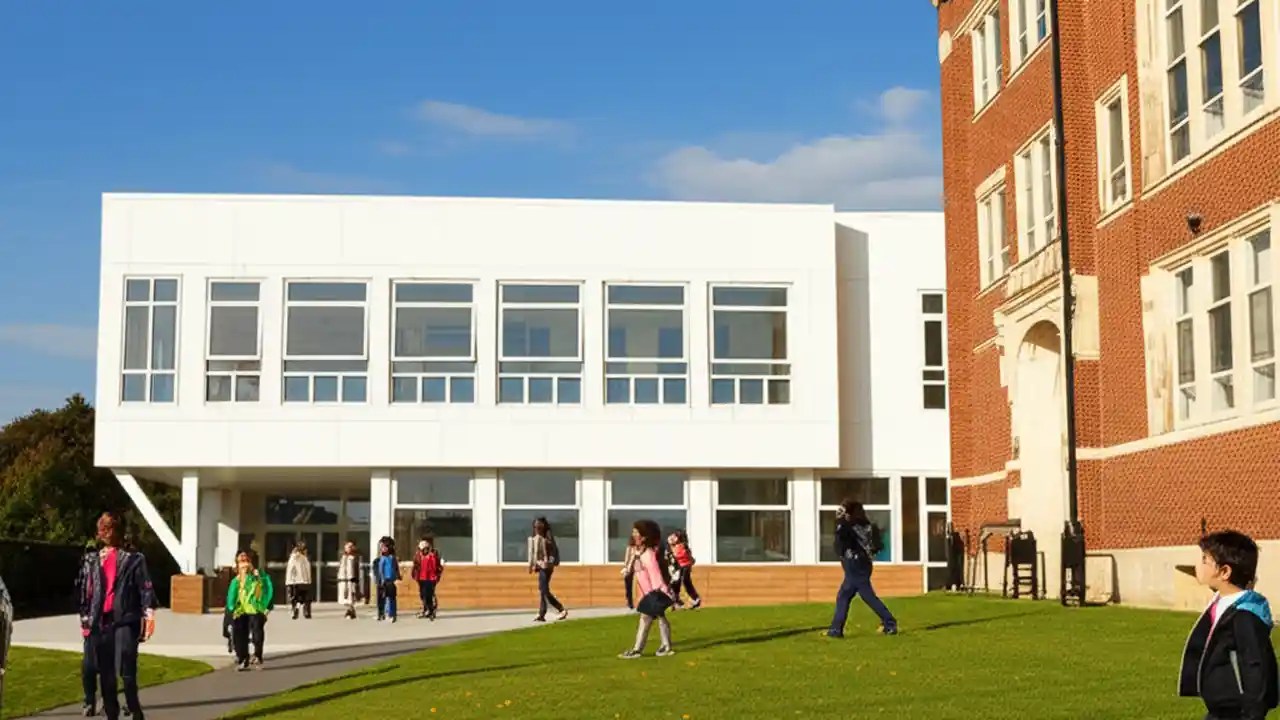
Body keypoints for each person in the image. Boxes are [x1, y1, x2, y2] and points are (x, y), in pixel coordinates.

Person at [1178, 530, 1278, 720]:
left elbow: (1255, 667)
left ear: (1224, 572)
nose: (1199, 565)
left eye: (1204, 560)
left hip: (1237, 713)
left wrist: (1253, 714)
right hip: (1218, 711)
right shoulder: (1220, 604)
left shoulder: (1245, 615)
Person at [76, 512, 156, 720]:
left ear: (117, 530)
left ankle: (134, 708)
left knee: (126, 668)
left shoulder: (134, 560)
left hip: (125, 619)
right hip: (100, 622)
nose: (103, 531)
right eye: (101, 527)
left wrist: (149, 615)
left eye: (108, 527)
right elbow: (86, 591)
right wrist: (85, 618)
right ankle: (112, 714)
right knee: (105, 675)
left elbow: (145, 588)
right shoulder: (92, 559)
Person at [826, 499, 897, 638]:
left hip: (853, 564)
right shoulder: (867, 525)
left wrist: (839, 523)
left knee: (867, 596)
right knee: (844, 596)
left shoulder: (846, 526)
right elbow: (877, 546)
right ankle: (835, 629)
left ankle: (890, 623)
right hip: (865, 563)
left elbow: (840, 545)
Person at [619, 520, 677, 659]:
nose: (633, 535)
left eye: (636, 533)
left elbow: (655, 574)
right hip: (649, 594)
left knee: (645, 618)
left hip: (655, 593)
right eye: (633, 532)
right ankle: (665, 646)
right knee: (660, 618)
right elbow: (635, 571)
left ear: (644, 537)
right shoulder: (637, 552)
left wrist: (662, 592)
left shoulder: (648, 554)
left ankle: (638, 649)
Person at [226, 550, 273, 671]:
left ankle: (257, 655)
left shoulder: (260, 576)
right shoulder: (237, 580)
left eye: (246, 561)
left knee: (257, 633)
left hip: (256, 609)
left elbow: (268, 589)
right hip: (241, 609)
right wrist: (232, 608)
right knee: (239, 635)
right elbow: (232, 594)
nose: (244, 565)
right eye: (241, 562)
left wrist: (267, 607)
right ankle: (243, 659)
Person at [527, 517, 568, 623]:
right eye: (535, 526)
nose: (536, 528)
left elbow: (552, 552)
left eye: (538, 526)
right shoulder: (537, 538)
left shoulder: (547, 538)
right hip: (541, 566)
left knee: (544, 590)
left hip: (547, 567)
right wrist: (535, 564)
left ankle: (561, 609)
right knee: (542, 590)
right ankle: (541, 613)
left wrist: (549, 562)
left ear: (543, 527)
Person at [667, 530, 702, 609]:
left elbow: (678, 555)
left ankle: (694, 598)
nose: (673, 538)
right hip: (677, 568)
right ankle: (677, 600)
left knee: (685, 582)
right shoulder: (672, 546)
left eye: (675, 536)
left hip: (684, 567)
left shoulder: (682, 546)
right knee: (676, 583)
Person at [411, 537, 444, 620]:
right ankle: (426, 610)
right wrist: (414, 574)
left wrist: (437, 576)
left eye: (426, 549)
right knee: (423, 595)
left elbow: (436, 568)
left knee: (429, 595)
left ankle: (431, 611)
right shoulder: (419, 556)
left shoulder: (432, 556)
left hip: (430, 579)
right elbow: (415, 566)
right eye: (422, 549)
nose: (424, 550)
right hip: (421, 578)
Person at [373, 536, 401, 623]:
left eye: (384, 546)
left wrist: (398, 576)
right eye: (381, 546)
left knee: (391, 598)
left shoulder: (392, 558)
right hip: (381, 582)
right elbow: (377, 571)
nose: (382, 548)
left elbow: (396, 569)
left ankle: (391, 614)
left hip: (389, 581)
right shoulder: (378, 560)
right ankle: (381, 614)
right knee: (381, 599)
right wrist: (378, 580)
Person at [285, 540, 313, 620]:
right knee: (297, 598)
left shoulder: (305, 558)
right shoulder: (296, 557)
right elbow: (292, 570)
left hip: (305, 581)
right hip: (297, 581)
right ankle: (296, 610)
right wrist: (291, 581)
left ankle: (305, 611)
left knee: (306, 598)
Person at [337, 541, 364, 620]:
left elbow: (357, 569)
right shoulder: (342, 556)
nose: (348, 548)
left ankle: (350, 611)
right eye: (347, 547)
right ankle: (351, 611)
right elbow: (340, 567)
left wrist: (356, 579)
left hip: (351, 579)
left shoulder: (355, 557)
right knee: (344, 597)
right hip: (343, 579)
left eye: (350, 547)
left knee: (351, 597)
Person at [621, 534, 642, 611]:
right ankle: (630, 602)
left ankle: (640, 602)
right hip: (630, 568)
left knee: (640, 585)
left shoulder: (641, 548)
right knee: (628, 585)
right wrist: (626, 567)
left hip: (639, 568)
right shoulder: (630, 548)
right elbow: (627, 558)